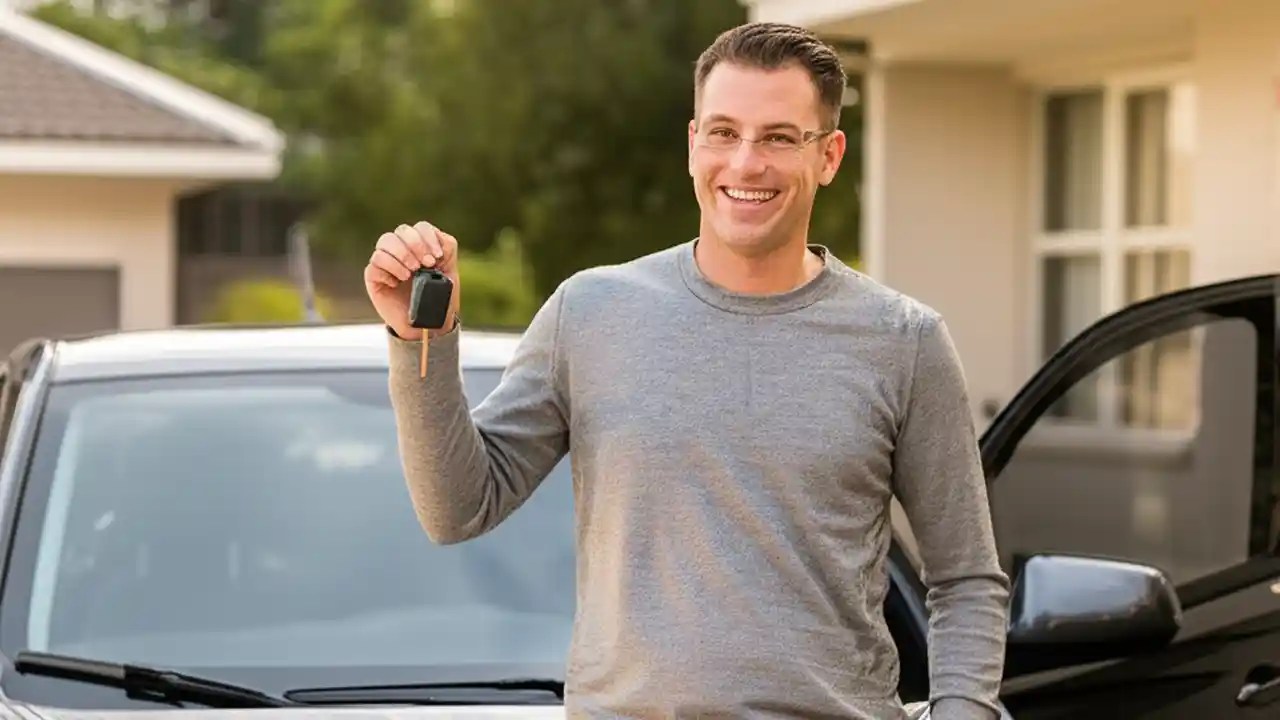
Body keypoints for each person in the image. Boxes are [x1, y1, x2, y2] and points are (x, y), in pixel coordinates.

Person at [364, 21, 1009, 720]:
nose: (746, 164)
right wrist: (421, 340)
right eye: (724, 133)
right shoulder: (591, 312)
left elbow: (966, 579)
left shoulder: (904, 340)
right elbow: (457, 509)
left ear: (829, 155)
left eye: (779, 137)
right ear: (694, 143)